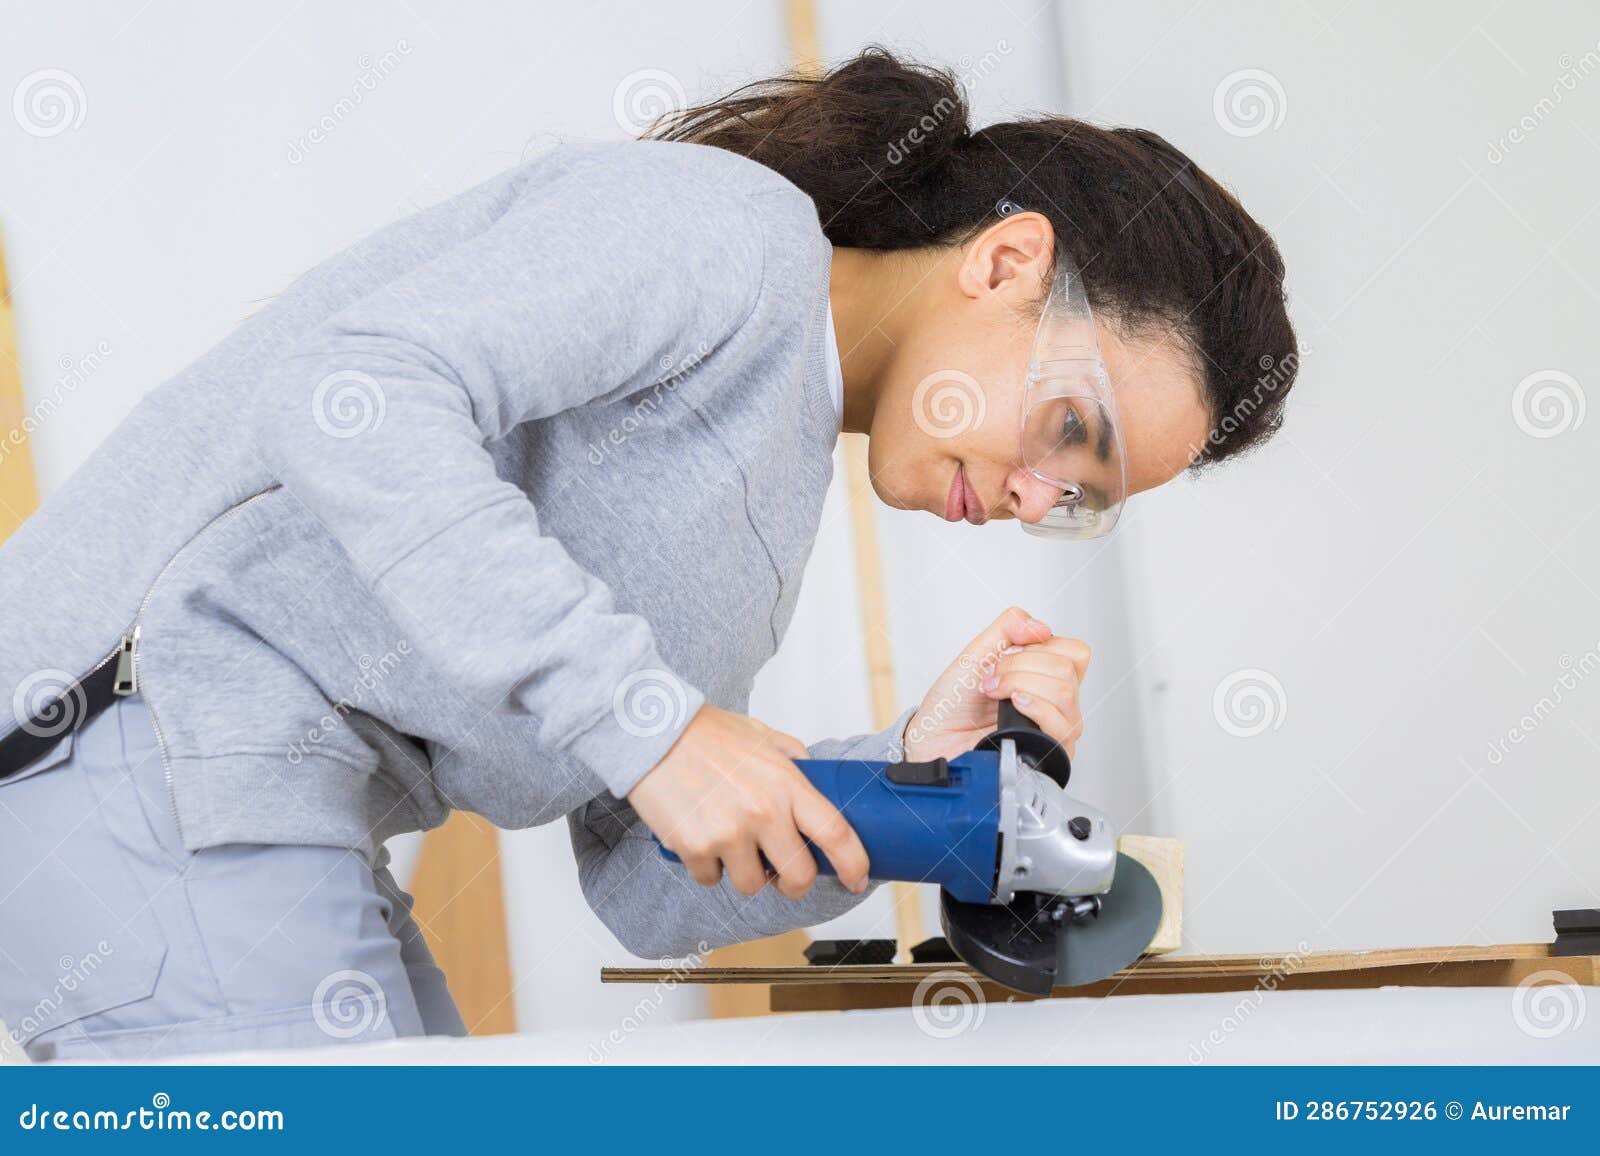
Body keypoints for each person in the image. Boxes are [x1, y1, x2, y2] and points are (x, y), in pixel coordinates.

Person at [0, 49, 1296, 1060]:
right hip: (138, 728)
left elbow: (641, 875)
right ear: (1008, 261)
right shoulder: (728, 235)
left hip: (268, 797)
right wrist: (658, 726)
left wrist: (914, 770)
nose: (1032, 495)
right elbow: (355, 396)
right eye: (1071, 430)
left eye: (1080, 496)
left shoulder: (769, 501)